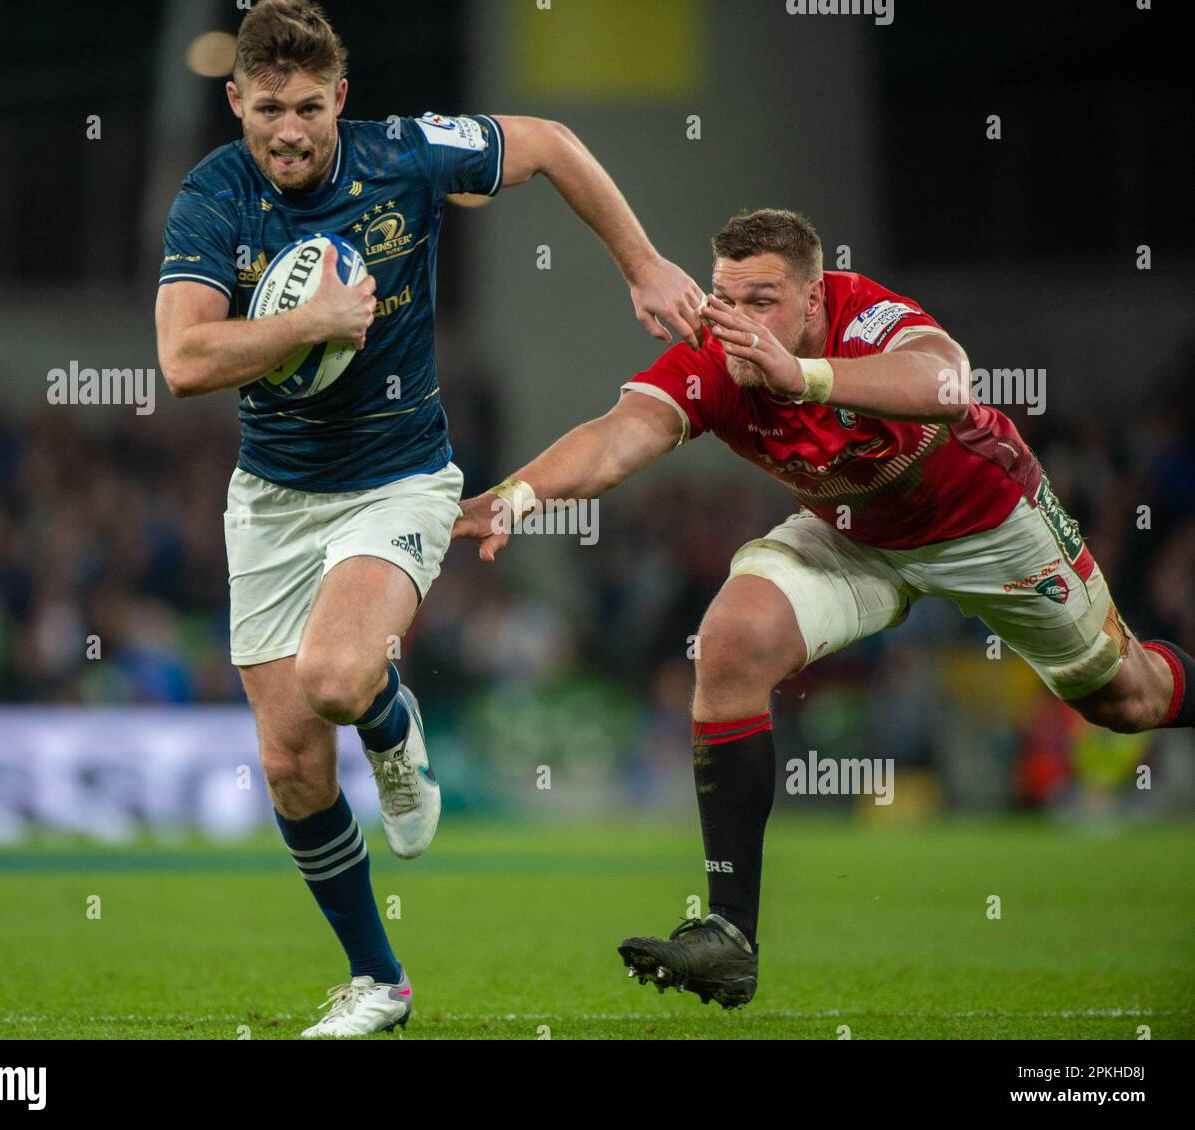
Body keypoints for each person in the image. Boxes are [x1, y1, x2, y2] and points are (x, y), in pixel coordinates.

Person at [454, 207, 1193, 1010]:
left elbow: (945, 385)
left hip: (988, 524)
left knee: (1129, 699)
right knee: (730, 640)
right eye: (725, 297)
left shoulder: (864, 314)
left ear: (815, 300)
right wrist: (519, 494)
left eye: (763, 300)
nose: (739, 321)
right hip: (853, 535)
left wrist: (802, 376)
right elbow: (618, 435)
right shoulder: (715, 354)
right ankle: (730, 936)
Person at [153, 0, 702, 1037]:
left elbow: (549, 143)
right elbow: (183, 361)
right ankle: (380, 983)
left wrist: (643, 264)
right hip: (270, 497)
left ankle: (394, 727)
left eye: (309, 106)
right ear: (236, 101)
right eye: (267, 106)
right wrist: (311, 322)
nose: (289, 130)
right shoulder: (212, 198)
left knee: (339, 676)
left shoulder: (405, 156)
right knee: (290, 761)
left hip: (400, 478)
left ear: (340, 100)